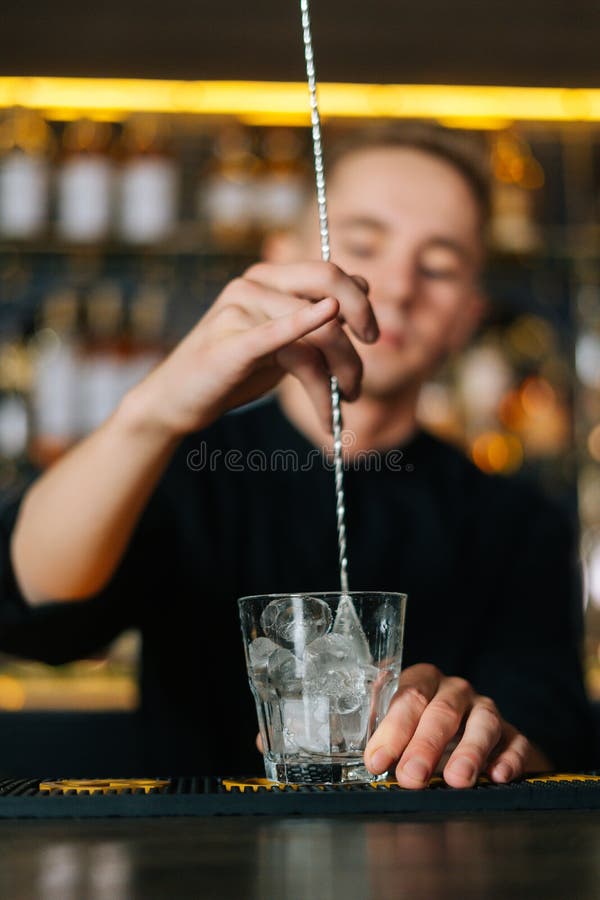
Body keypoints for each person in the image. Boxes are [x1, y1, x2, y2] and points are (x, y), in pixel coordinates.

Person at [0, 123, 596, 786]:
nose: (396, 286)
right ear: (282, 257)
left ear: (469, 313)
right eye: (365, 243)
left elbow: (556, 726)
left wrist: (484, 736)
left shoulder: (517, 523)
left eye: (440, 264)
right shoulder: (187, 472)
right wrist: (153, 411)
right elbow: (27, 615)